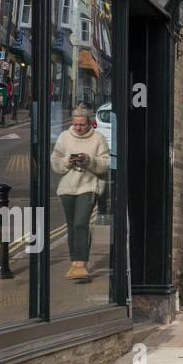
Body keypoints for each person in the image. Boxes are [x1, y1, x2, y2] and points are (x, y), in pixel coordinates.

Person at [50, 106, 110, 282]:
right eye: (75, 124)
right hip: (67, 188)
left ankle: (81, 262)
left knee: (80, 223)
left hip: (88, 186)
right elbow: (55, 160)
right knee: (71, 226)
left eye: (81, 125)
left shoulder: (98, 138)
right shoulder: (64, 137)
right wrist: (67, 162)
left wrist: (89, 160)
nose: (78, 128)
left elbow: (106, 163)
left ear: (89, 123)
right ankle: (74, 262)